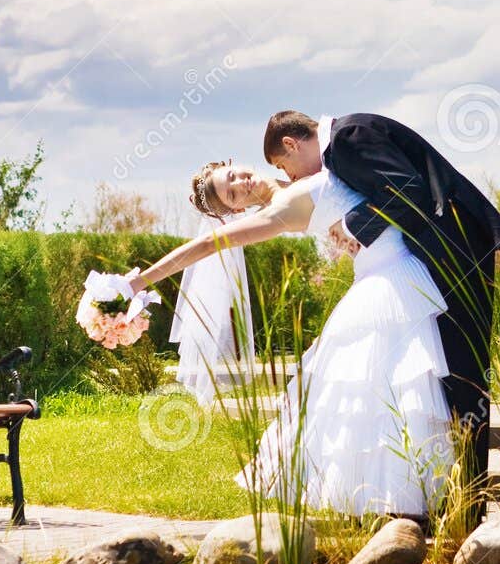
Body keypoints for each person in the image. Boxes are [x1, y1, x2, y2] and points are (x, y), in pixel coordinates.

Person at [125, 155, 454, 520]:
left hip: (391, 267)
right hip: (384, 273)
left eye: (232, 175)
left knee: (386, 385)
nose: (241, 184)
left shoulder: (296, 174)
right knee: (377, 390)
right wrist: (136, 284)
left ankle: (405, 502)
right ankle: (400, 504)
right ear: (236, 211)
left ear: (235, 163)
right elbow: (205, 247)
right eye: (233, 194)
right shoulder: (276, 211)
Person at [264, 111, 500, 530]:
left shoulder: (348, 138)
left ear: (291, 144)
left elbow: (408, 188)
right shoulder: (347, 137)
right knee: (454, 372)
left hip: (454, 249)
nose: (289, 177)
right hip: (446, 250)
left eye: (282, 167)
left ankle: (469, 511)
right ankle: (457, 505)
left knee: (465, 372)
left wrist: (354, 224)